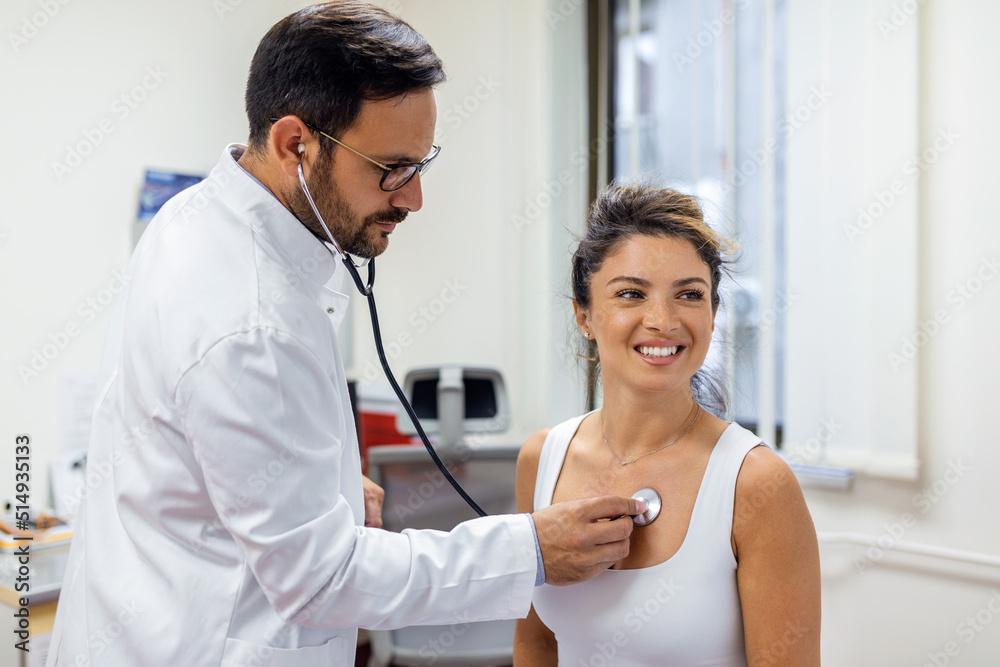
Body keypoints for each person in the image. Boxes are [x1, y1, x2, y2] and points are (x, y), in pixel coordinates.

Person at [46, 4, 644, 666]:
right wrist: (532, 550)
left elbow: (193, 442)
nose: (413, 198)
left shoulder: (192, 216)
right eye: (391, 167)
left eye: (422, 163)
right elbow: (322, 578)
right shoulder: (248, 315)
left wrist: (313, 480)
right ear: (293, 144)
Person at [513, 185, 822, 666]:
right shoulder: (542, 459)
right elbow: (537, 643)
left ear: (713, 315)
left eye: (689, 295)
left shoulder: (756, 484)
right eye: (631, 294)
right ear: (584, 316)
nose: (663, 320)